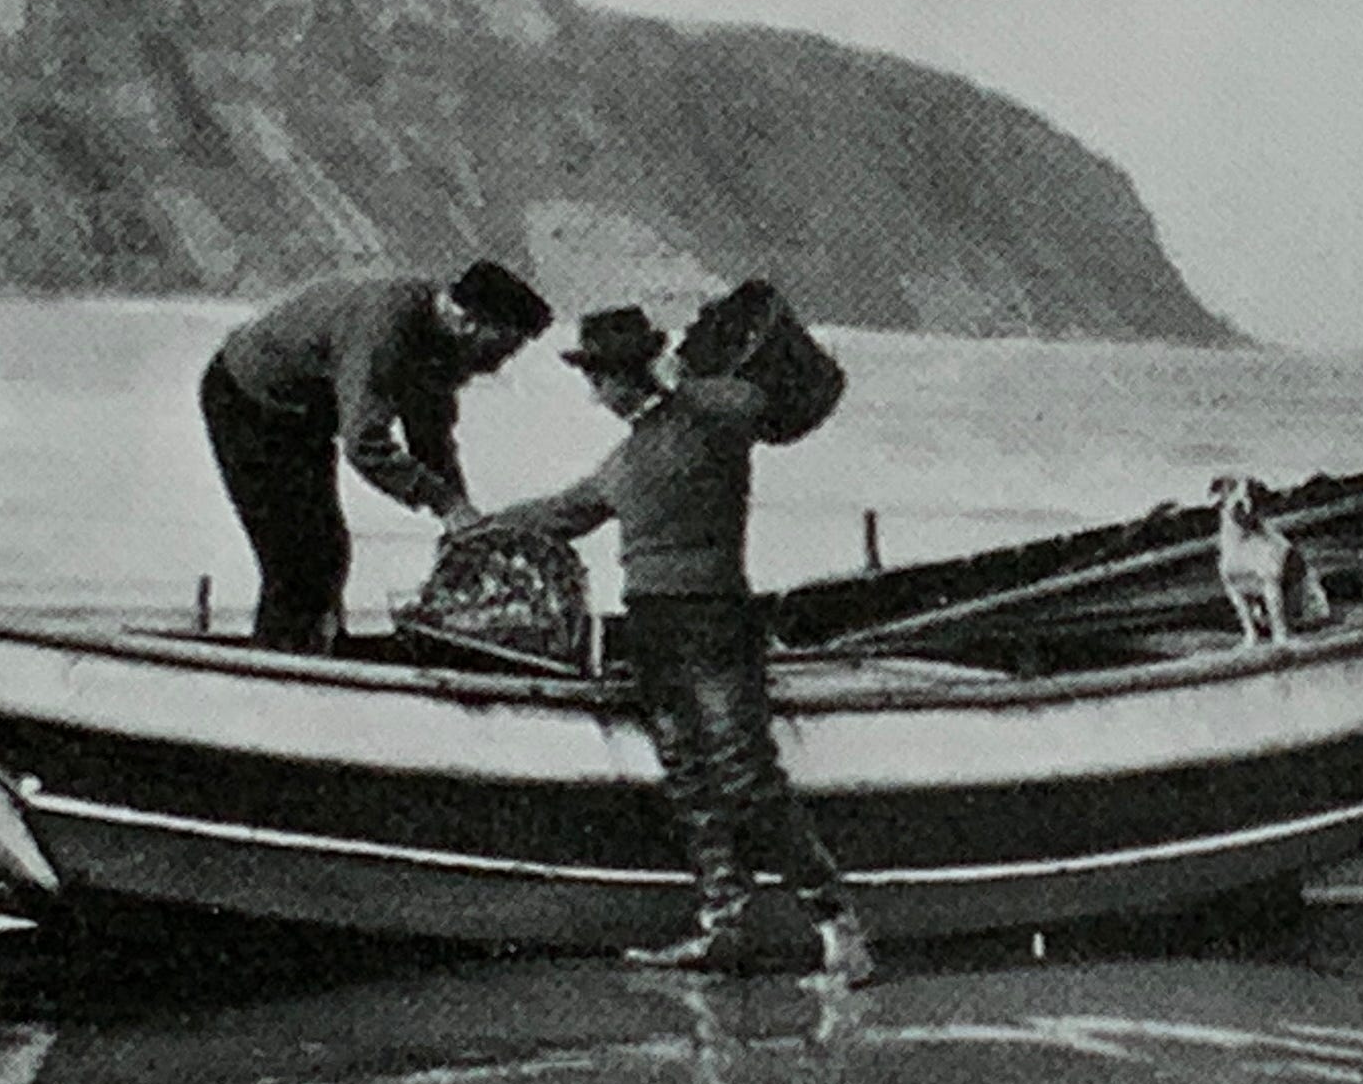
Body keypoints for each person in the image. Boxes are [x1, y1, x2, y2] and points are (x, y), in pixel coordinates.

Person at [472, 308, 877, 984]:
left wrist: (675, 377)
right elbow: (561, 513)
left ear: (622, 375)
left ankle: (841, 928)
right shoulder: (629, 456)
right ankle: (726, 928)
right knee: (691, 774)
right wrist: (482, 528)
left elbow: (753, 397)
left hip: (714, 621)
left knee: (745, 775)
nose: (593, 393)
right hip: (654, 629)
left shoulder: (713, 418)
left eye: (597, 377)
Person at [201, 260, 554, 651]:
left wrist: (459, 519)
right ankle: (283, 667)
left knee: (328, 551)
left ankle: (314, 650)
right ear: (468, 323)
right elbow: (366, 446)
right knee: (298, 558)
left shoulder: (444, 343)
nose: (500, 365)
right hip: (245, 401)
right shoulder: (384, 328)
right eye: (503, 347)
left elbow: (431, 437)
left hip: (306, 416)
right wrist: (444, 502)